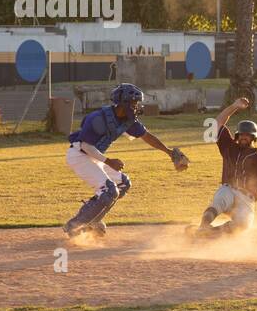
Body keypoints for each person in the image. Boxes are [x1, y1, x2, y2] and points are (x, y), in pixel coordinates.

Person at [63, 83, 188, 237]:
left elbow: (147, 136)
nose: (136, 106)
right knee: (109, 190)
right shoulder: (98, 119)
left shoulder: (128, 120)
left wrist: (169, 152)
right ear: (123, 103)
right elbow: (86, 146)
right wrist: (108, 161)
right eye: (134, 103)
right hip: (79, 155)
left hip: (94, 156)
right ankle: (74, 226)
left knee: (123, 184)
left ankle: (93, 221)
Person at [193, 97, 257, 238]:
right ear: (237, 136)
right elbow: (218, 123)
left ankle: (209, 233)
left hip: (247, 198)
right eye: (241, 135)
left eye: (248, 135)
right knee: (219, 201)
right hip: (229, 190)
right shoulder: (228, 146)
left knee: (243, 224)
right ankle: (202, 227)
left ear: (253, 137)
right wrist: (234, 106)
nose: (244, 137)